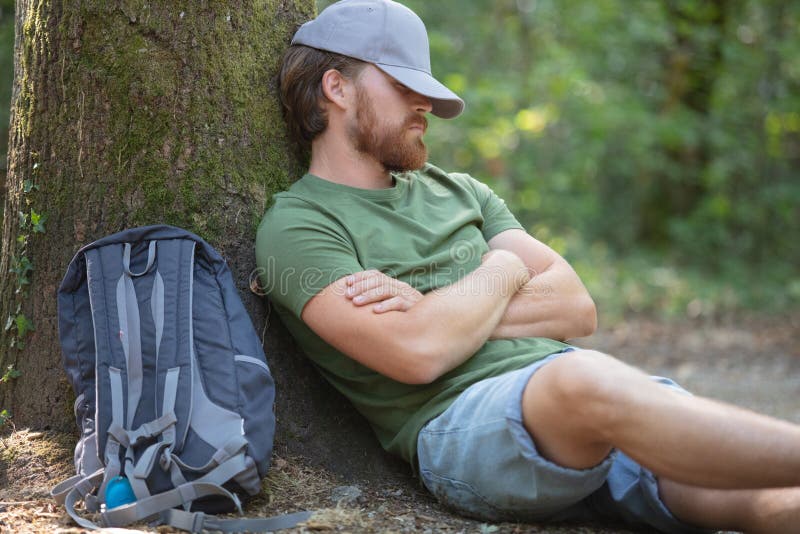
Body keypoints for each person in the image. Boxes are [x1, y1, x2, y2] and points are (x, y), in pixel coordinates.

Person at [256, 1, 800, 532]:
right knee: (583, 377)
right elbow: (418, 352)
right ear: (337, 88)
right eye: (403, 84)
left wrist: (434, 308)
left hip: (595, 414)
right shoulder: (298, 226)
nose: (424, 102)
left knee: (767, 501)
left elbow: (576, 307)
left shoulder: (459, 190)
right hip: (469, 428)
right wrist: (506, 264)